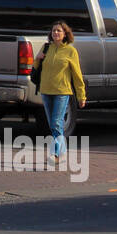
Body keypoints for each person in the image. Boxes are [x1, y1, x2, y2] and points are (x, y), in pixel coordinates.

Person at [36, 20, 87, 162]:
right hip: (46, 91)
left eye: (59, 31)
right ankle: (62, 153)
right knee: (53, 124)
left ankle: (56, 154)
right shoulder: (46, 48)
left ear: (65, 34)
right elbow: (36, 68)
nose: (56, 33)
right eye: (53, 31)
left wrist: (81, 95)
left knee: (56, 123)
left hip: (62, 92)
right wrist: (37, 59)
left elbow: (77, 75)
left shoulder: (71, 51)